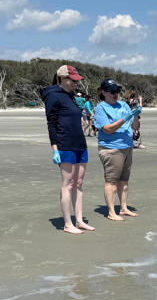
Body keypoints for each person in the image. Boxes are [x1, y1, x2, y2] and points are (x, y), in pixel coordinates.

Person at [42, 65, 95, 234]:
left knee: (78, 183)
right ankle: (67, 223)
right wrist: (55, 148)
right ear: (63, 79)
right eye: (73, 81)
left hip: (80, 143)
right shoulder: (53, 95)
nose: (75, 84)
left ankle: (79, 220)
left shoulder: (70, 95)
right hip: (65, 144)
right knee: (68, 184)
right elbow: (51, 124)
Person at [95, 79, 140, 220]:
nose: (116, 94)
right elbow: (107, 129)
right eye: (112, 91)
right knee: (111, 181)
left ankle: (123, 208)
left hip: (127, 147)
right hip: (111, 149)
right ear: (103, 92)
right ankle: (111, 212)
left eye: (117, 91)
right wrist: (125, 118)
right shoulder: (101, 108)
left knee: (124, 181)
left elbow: (135, 127)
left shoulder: (123, 105)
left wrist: (136, 115)